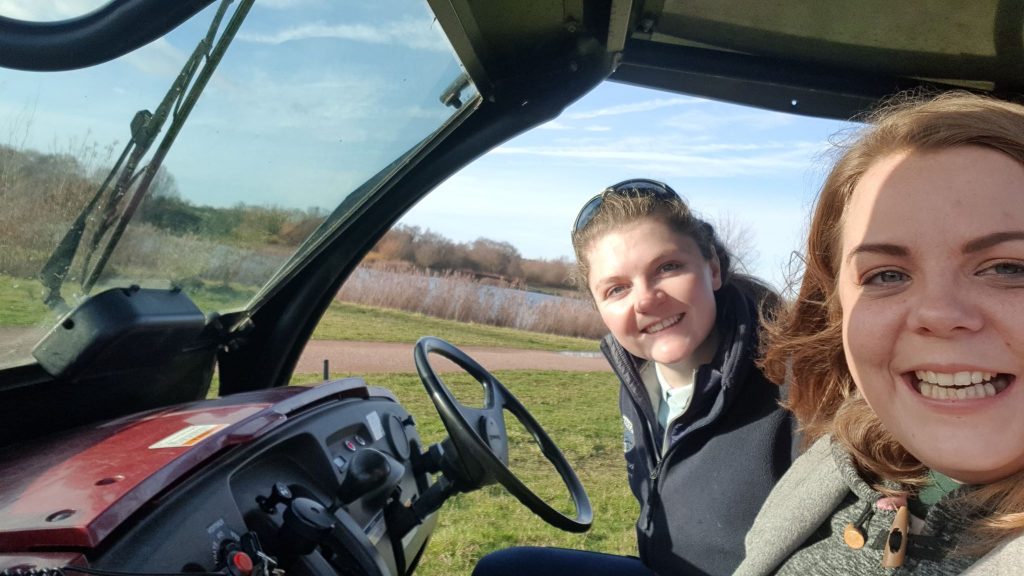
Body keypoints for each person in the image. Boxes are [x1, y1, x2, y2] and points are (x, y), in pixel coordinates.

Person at [737, 91, 1024, 575]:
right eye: (886, 275)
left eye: (1007, 267)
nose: (937, 313)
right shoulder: (839, 465)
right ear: (836, 310)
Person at [474, 179, 796, 576]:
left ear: (712, 268)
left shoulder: (794, 383)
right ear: (598, 306)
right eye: (616, 289)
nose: (645, 299)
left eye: (667, 267)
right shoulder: (638, 382)